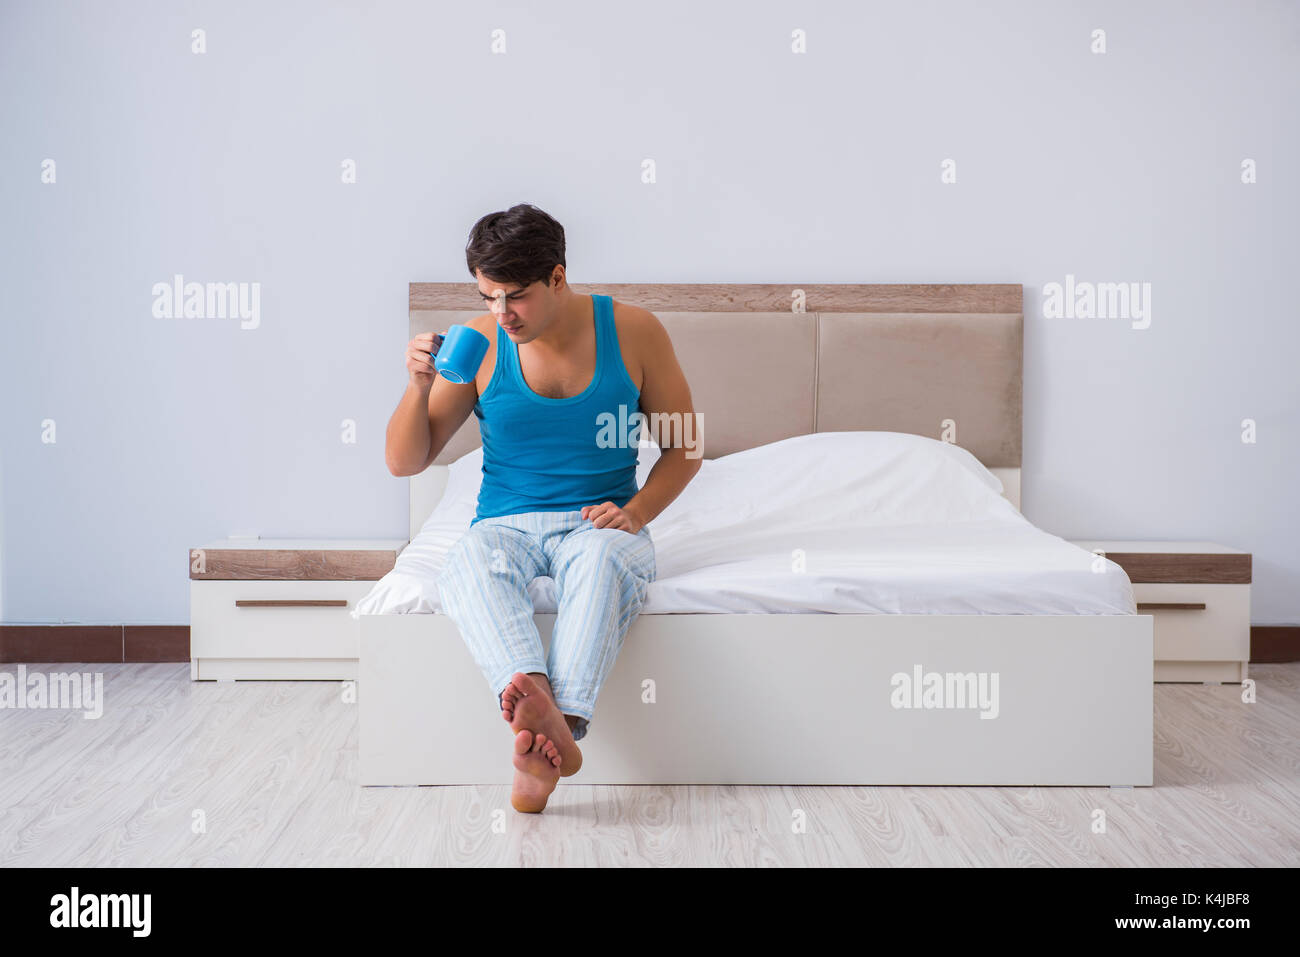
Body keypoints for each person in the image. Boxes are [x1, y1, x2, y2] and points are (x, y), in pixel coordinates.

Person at [384, 204, 701, 812]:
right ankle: (551, 722)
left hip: (599, 522)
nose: (501, 314)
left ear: (558, 277)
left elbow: (687, 446)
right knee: (468, 564)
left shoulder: (634, 331)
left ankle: (547, 728)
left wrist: (635, 513)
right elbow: (406, 461)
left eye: (515, 298)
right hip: (503, 524)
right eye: (488, 296)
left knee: (603, 562)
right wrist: (417, 386)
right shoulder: (477, 345)